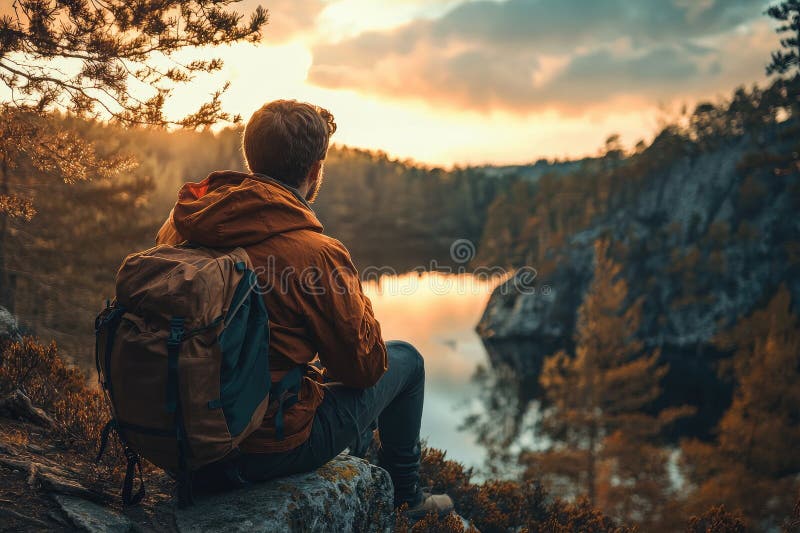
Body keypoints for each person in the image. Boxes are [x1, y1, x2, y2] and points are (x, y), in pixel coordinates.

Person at [156, 99, 454, 520]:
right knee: (407, 360)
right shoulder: (315, 253)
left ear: (251, 157)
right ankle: (408, 501)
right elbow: (365, 369)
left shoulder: (183, 222)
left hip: (180, 437)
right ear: (315, 171)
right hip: (261, 450)